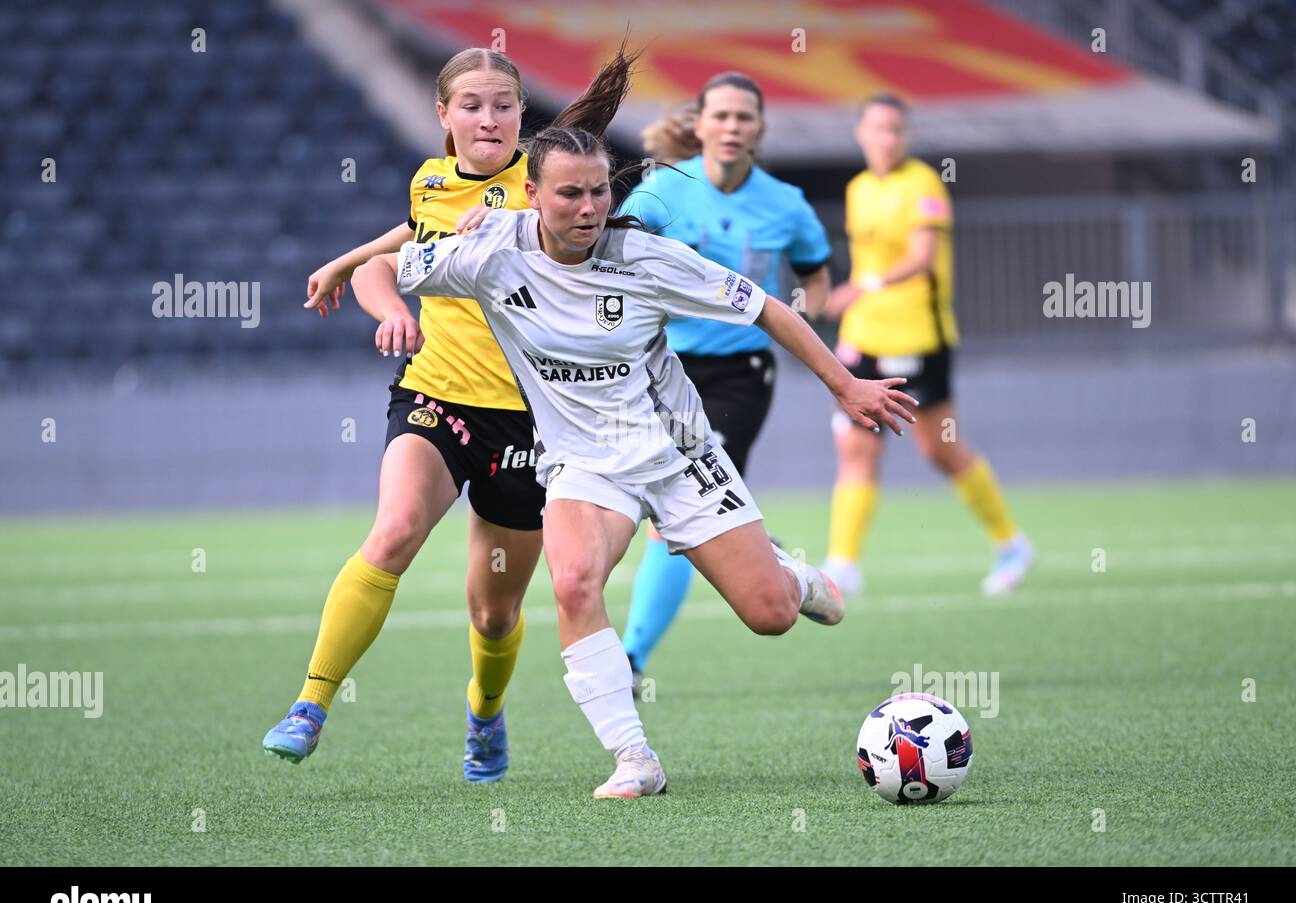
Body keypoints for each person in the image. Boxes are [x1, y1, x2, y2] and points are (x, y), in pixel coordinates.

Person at [350, 45, 919, 798]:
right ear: (531, 192)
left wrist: (846, 385)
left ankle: (787, 574)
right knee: (576, 582)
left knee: (770, 616)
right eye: (568, 197)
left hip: (678, 453)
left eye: (596, 194)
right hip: (583, 462)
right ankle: (635, 759)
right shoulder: (490, 251)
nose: (587, 210)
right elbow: (380, 266)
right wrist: (389, 307)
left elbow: (770, 307)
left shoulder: (645, 257)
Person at [261, 48, 542, 782]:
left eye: (505, 103)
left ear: (522, 113)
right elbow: (408, 238)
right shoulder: (431, 178)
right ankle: (310, 704)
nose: (490, 117)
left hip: (531, 423)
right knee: (393, 531)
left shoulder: (548, 187)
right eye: (473, 104)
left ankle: (484, 710)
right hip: (437, 393)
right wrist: (362, 278)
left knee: (494, 615)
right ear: (443, 116)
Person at [615, 73, 833, 682]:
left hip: (743, 373)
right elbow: (606, 255)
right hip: (661, 368)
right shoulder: (661, 193)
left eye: (745, 118)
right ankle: (765, 553)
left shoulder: (786, 203)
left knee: (675, 511)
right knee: (662, 506)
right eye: (722, 116)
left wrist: (801, 319)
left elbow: (815, 277)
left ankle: (631, 659)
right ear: (700, 123)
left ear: (759, 129)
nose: (733, 127)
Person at [821, 93, 1032, 597]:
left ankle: (1011, 542)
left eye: (896, 129)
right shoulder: (857, 189)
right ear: (861, 133)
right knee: (855, 447)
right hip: (865, 338)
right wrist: (852, 317)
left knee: (939, 450)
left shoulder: (924, 184)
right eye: (878, 128)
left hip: (920, 337)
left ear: (906, 136)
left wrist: (861, 288)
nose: (887, 138)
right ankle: (843, 562)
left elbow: (922, 256)